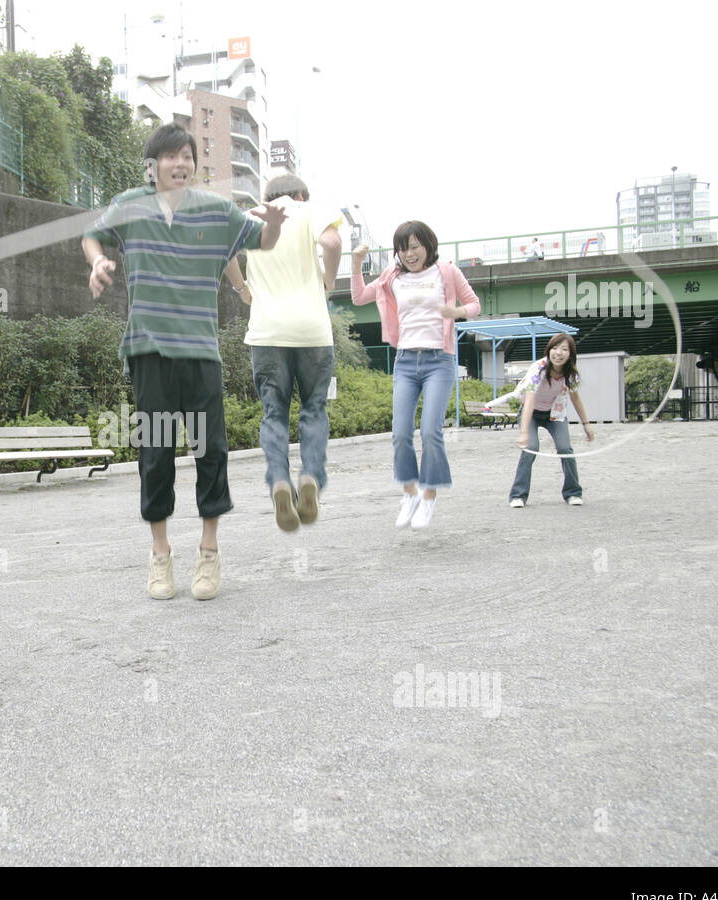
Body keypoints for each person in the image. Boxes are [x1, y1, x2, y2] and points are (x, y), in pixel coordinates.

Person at [82, 124, 286, 600]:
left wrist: (275, 222)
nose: (180, 164)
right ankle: (160, 555)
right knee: (155, 454)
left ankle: (209, 552)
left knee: (210, 450)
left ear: (195, 165)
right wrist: (96, 261)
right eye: (169, 156)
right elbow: (92, 236)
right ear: (151, 166)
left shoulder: (217, 212)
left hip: (200, 354)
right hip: (149, 353)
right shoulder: (130, 204)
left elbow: (265, 241)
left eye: (187, 157)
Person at [222, 174, 342, 532]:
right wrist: (330, 280)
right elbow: (332, 242)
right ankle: (310, 477)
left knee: (274, 414)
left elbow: (226, 254)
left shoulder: (254, 216)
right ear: (301, 194)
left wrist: (242, 288)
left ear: (266, 196)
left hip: (268, 333)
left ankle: (278, 480)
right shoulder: (310, 210)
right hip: (313, 333)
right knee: (313, 410)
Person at [351, 222, 479, 529]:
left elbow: (473, 304)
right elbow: (358, 297)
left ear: (428, 245)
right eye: (402, 248)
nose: (409, 254)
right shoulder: (392, 277)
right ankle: (409, 493)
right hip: (406, 361)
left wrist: (457, 313)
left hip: (439, 361)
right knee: (400, 433)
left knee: (431, 431)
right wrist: (356, 263)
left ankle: (429, 497)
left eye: (414, 246)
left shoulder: (447, 272)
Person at [506, 332, 595, 507]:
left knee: (565, 449)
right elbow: (529, 401)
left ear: (570, 354)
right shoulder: (538, 369)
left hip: (555, 414)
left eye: (564, 349)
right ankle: (518, 496)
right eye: (554, 348)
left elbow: (576, 398)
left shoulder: (571, 374)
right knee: (530, 448)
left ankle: (573, 493)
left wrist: (586, 425)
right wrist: (524, 433)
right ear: (549, 350)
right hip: (531, 413)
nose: (558, 353)